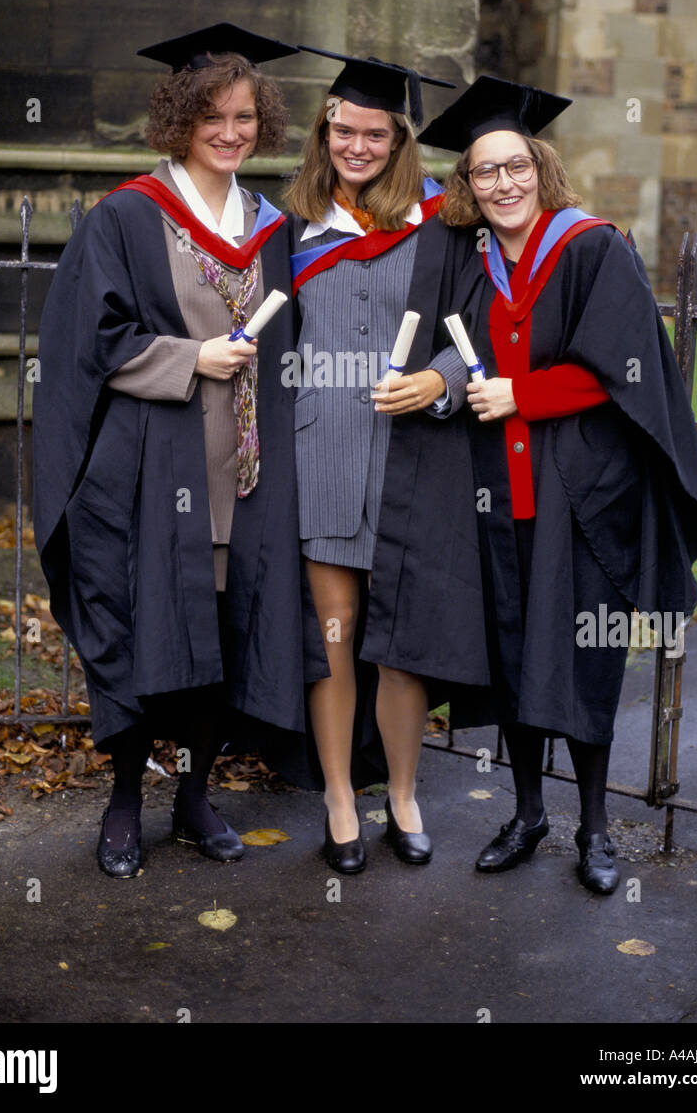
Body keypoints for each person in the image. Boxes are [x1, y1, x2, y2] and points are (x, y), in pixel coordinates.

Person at [412, 74, 697, 894]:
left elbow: (629, 369)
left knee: (583, 661)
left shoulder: (588, 247)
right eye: (483, 172)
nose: (502, 183)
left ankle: (591, 828)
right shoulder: (470, 262)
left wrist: (523, 393)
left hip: (578, 498)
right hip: (496, 496)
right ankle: (526, 813)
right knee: (511, 660)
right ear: (467, 186)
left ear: (539, 169)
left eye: (515, 166)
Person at [33, 23, 314, 878]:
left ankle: (194, 799)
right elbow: (93, 337)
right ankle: (124, 803)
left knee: (219, 642)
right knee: (143, 630)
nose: (230, 133)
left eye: (243, 117)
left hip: (246, 472)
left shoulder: (273, 229)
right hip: (155, 471)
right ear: (178, 123)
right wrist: (190, 357)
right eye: (211, 119)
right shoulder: (126, 216)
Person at [287, 48, 481, 874]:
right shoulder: (290, 230)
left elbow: (478, 334)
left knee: (399, 643)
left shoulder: (441, 224)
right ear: (325, 129)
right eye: (344, 130)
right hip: (320, 456)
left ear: (400, 138)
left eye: (375, 133)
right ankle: (338, 799)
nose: (357, 146)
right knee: (332, 638)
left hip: (412, 461)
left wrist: (440, 378)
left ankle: (401, 795)